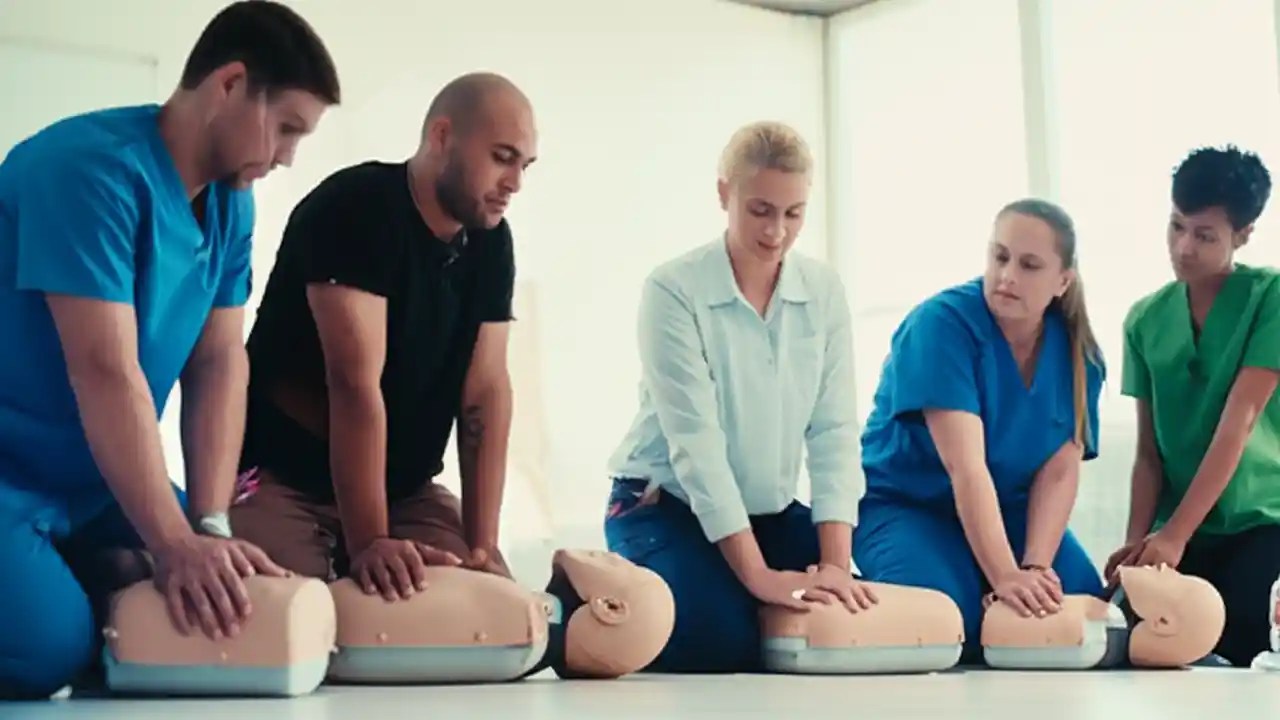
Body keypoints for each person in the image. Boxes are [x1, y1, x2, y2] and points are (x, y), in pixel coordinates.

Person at [0, 0, 340, 699]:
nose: (286, 156)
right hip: (11, 469)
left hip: (92, 479)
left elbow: (218, 363)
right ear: (229, 84)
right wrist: (170, 541)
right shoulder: (87, 172)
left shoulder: (230, 202)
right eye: (286, 129)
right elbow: (103, 369)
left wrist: (207, 524)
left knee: (238, 579)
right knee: (48, 650)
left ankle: (78, 566)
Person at [227, 72, 533, 602]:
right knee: (294, 614)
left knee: (489, 610)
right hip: (284, 478)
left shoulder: (491, 242)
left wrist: (482, 550)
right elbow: (353, 384)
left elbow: (485, 394)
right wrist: (371, 542)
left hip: (406, 493)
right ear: (442, 136)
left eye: (524, 166)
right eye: (502, 157)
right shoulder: (357, 207)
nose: (514, 183)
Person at [603, 120, 877, 674]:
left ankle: (740, 589)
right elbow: (696, 446)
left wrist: (834, 564)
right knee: (720, 640)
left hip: (767, 514)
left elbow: (833, 433)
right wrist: (760, 578)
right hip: (662, 506)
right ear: (725, 193)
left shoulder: (823, 292)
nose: (776, 231)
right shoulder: (673, 290)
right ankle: (592, 591)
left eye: (793, 213)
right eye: (760, 209)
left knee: (856, 610)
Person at [853, 199, 1106, 659]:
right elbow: (965, 467)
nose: (1008, 275)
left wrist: (1034, 568)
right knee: (952, 624)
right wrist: (1005, 576)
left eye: (1029, 265)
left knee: (1083, 619)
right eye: (1000, 256)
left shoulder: (1079, 355)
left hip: (1011, 513)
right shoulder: (941, 326)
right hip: (907, 506)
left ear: (1062, 281)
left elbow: (1059, 472)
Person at [1105, 145, 1280, 667]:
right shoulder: (1143, 319)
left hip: (1261, 522)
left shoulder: (1268, 299)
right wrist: (1136, 551)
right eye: (1176, 226)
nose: (1183, 247)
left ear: (1243, 234)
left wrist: (1174, 536)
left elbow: (1240, 421)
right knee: (1149, 648)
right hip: (1179, 531)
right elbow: (1148, 456)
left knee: (1245, 639)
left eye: (1204, 235)